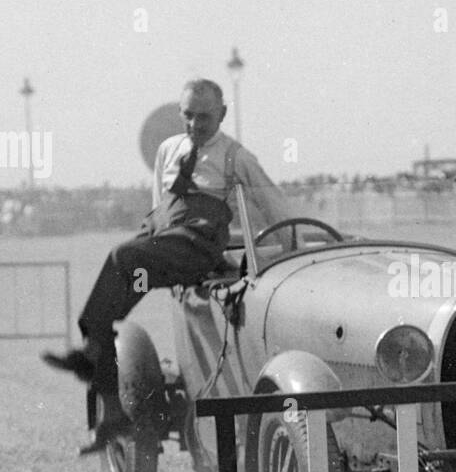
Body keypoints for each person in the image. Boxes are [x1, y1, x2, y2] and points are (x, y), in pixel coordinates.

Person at [43, 78, 289, 452]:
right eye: (188, 116)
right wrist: (149, 245)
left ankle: (90, 359)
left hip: (197, 250)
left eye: (204, 117)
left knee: (120, 257)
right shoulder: (167, 151)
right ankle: (111, 413)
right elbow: (159, 208)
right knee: (105, 317)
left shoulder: (235, 157)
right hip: (162, 251)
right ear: (179, 113)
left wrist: (291, 250)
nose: (194, 125)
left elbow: (273, 206)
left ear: (222, 114)